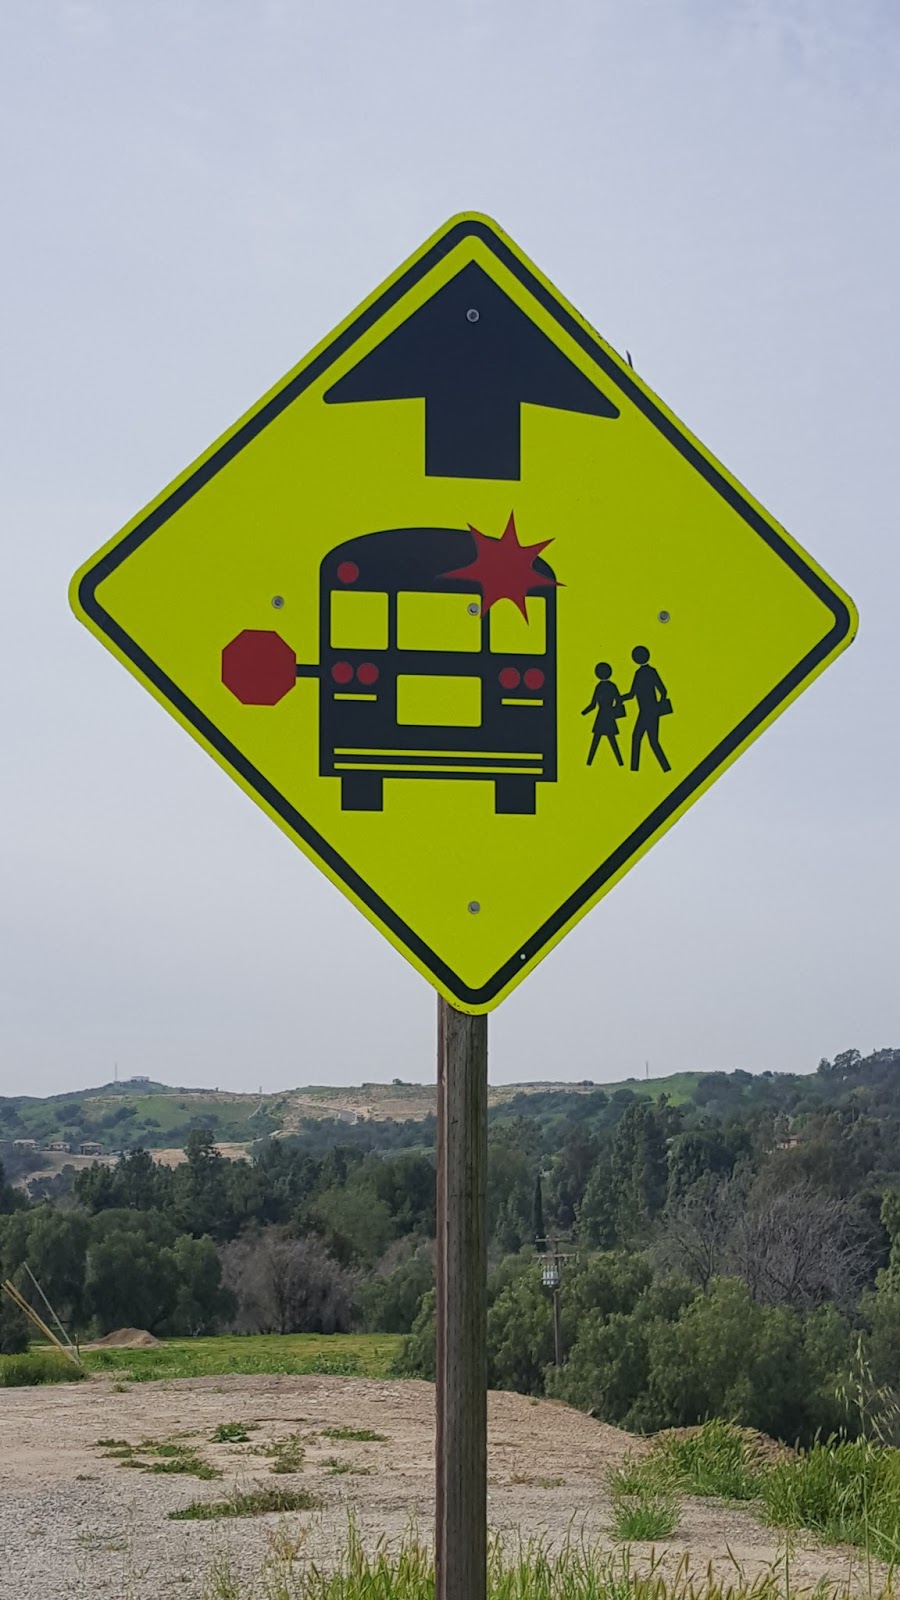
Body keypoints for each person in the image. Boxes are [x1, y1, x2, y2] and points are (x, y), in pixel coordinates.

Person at [621, 646, 671, 772]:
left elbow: (633, 694)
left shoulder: (641, 673)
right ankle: (663, 767)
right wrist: (657, 706)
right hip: (649, 712)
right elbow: (663, 691)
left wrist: (620, 699)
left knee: (641, 739)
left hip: (647, 712)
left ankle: (636, 769)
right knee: (649, 740)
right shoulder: (649, 672)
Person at [581, 662, 625, 767]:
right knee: (611, 740)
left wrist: (584, 712)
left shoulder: (599, 686)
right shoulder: (612, 686)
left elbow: (593, 704)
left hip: (601, 716)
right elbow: (619, 700)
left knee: (596, 740)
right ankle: (620, 763)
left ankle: (589, 762)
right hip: (609, 716)